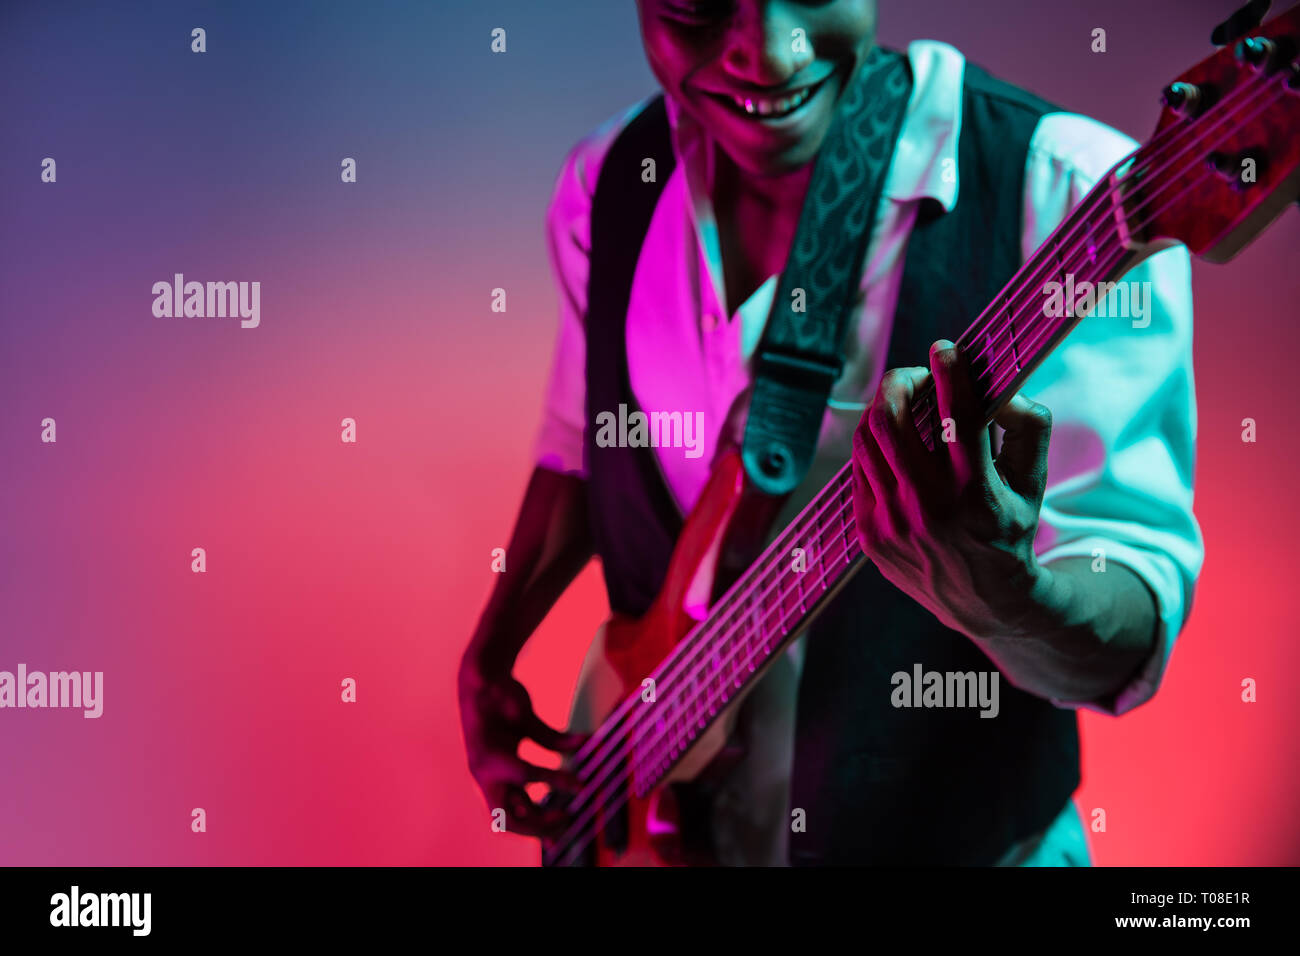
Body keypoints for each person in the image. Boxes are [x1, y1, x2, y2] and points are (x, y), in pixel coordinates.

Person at [458, 0, 1203, 865]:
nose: (771, 59)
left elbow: (1128, 632)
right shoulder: (607, 183)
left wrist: (1007, 600)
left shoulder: (1070, 193)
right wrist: (492, 645)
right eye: (698, 5)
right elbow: (581, 443)